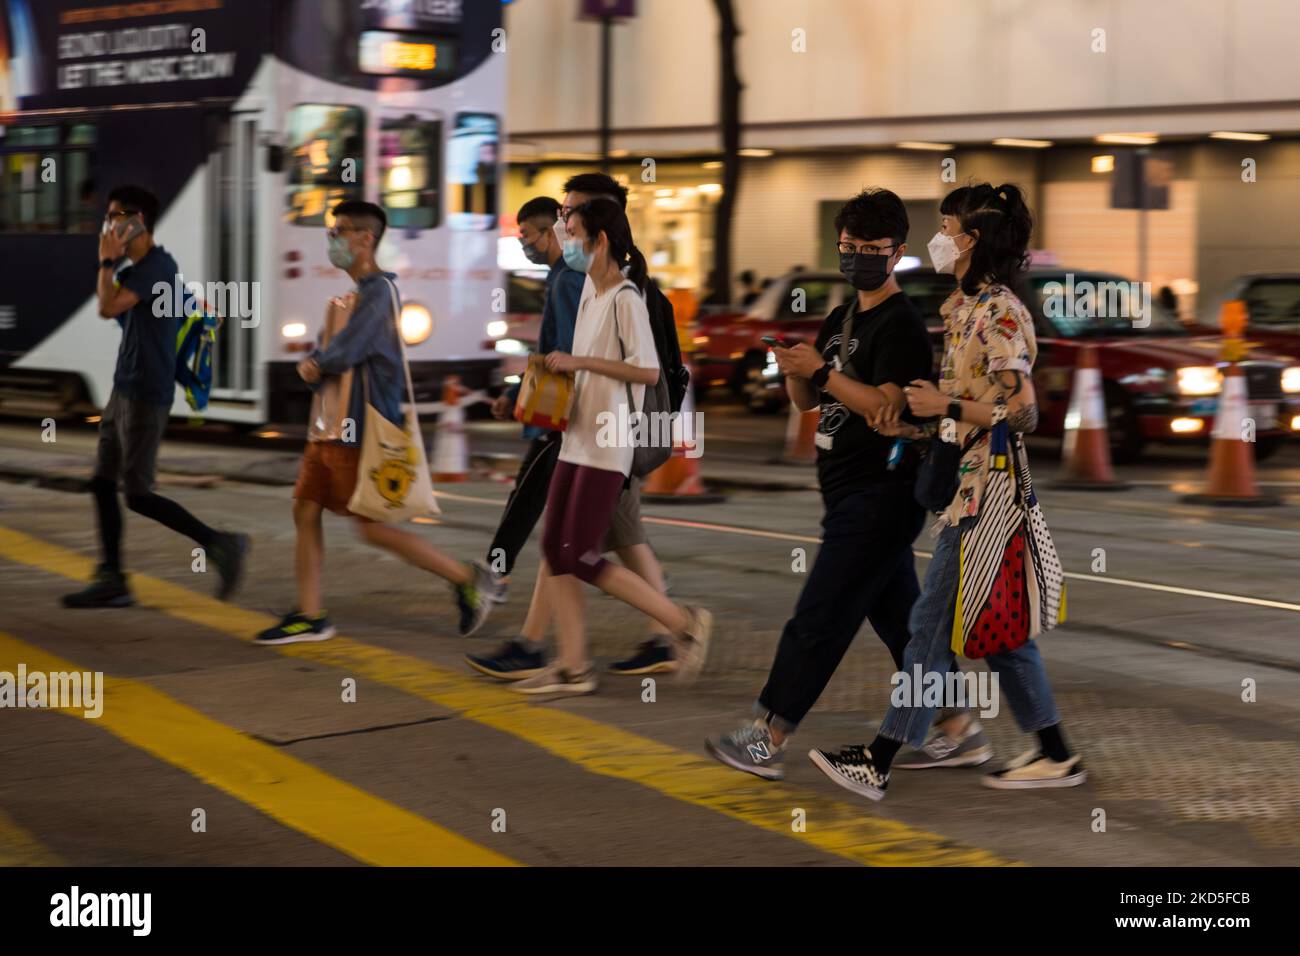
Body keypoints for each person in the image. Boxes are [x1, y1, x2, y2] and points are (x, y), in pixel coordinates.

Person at [807, 183, 1085, 800]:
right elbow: (969, 409)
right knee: (1002, 636)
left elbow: (1025, 411)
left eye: (945, 225)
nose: (938, 236)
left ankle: (879, 757)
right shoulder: (964, 307)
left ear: (971, 239)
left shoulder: (1000, 311)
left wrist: (946, 405)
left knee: (928, 627)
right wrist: (917, 422)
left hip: (987, 493)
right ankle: (1057, 752)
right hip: (962, 484)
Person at [704, 188, 936, 780]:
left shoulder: (902, 325)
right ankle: (956, 725)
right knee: (904, 623)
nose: (858, 256)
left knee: (821, 614)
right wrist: (796, 372)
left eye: (872, 248)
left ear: (897, 253)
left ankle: (767, 736)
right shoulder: (842, 317)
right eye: (848, 246)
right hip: (845, 493)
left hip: (880, 494)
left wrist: (824, 371)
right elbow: (811, 401)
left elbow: (886, 408)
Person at [255, 200, 501, 644]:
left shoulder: (379, 292)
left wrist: (316, 362)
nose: (332, 240)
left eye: (340, 231)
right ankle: (311, 615)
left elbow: (346, 352)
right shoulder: (347, 297)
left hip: (357, 427)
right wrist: (316, 364)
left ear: (366, 239)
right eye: (332, 231)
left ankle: (467, 577)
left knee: (370, 527)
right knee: (305, 509)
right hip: (329, 425)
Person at [506, 199, 711, 695]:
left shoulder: (624, 298)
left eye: (573, 232)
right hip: (577, 435)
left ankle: (682, 620)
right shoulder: (590, 297)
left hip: (609, 441)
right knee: (556, 548)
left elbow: (646, 371)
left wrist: (579, 364)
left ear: (600, 240)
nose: (566, 242)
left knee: (578, 555)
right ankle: (571, 666)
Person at [63, 185, 249, 609]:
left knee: (138, 493)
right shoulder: (138, 269)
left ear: (138, 221)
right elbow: (107, 305)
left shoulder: (156, 268)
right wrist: (111, 265)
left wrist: (107, 261)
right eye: (107, 217)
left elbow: (108, 307)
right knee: (100, 482)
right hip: (124, 387)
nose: (108, 225)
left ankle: (221, 544)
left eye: (115, 217)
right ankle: (113, 578)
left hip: (147, 392)